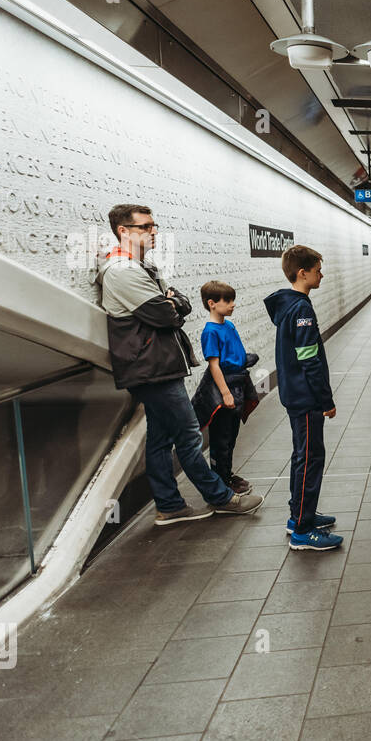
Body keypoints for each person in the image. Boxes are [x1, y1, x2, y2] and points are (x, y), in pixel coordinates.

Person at [97, 204, 263, 525]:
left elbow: (178, 303)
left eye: (153, 225)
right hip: (152, 369)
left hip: (156, 366)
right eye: (145, 227)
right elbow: (167, 314)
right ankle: (221, 497)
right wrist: (173, 302)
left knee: (161, 438)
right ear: (124, 231)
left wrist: (174, 301)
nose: (153, 231)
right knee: (189, 434)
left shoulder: (141, 266)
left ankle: (170, 506)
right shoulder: (122, 271)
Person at [264, 245, 343, 551]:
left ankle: (299, 514)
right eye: (317, 269)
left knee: (303, 456)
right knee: (310, 459)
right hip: (305, 397)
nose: (321, 274)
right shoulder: (301, 310)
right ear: (303, 273)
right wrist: (326, 399)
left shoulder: (289, 305)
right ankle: (302, 529)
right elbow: (309, 359)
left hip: (294, 393)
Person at [190, 280, 260, 496]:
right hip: (225, 387)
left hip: (237, 383)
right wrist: (225, 394)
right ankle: (220, 479)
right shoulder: (210, 332)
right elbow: (214, 366)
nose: (233, 305)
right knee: (221, 438)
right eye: (227, 301)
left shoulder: (228, 326)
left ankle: (227, 473)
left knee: (231, 436)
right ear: (212, 303)